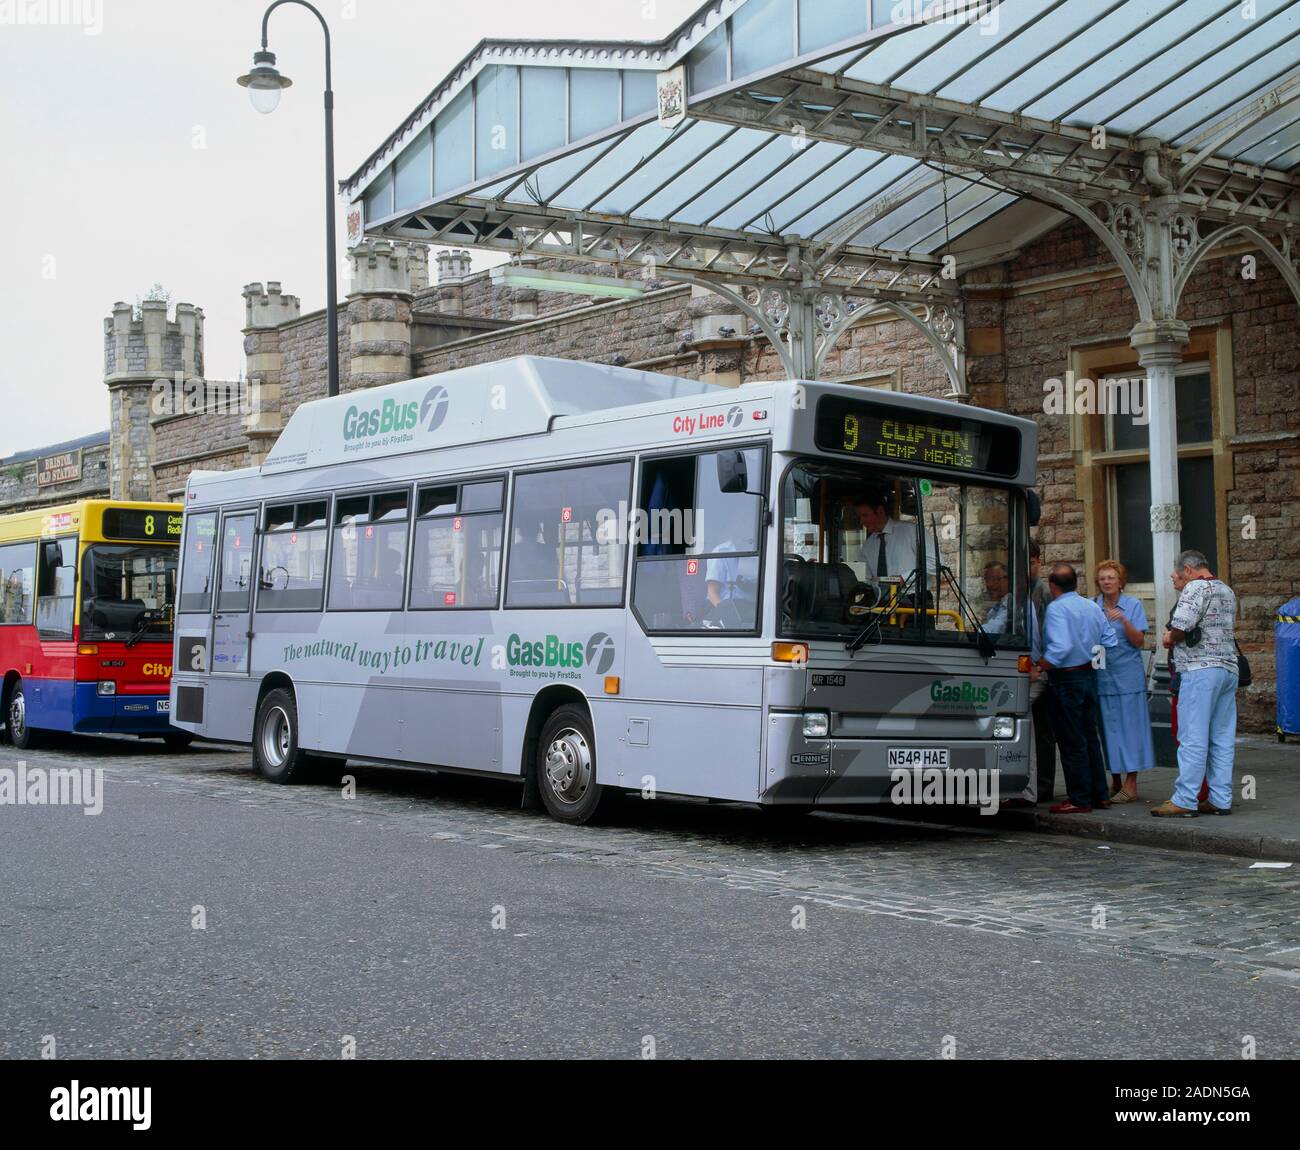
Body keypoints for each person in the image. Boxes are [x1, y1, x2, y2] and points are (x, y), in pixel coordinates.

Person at [1152, 550, 1238, 818]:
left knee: (1192, 736)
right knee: (1222, 738)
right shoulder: (1227, 590)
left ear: (1188, 570)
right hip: (1228, 669)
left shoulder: (1195, 588)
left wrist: (1168, 636)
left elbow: (1182, 626)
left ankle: (1186, 799)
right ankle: (1221, 799)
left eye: (1180, 574)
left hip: (1200, 669)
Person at [1039, 563, 1118, 814]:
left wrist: (1040, 666)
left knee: (1072, 740)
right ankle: (1100, 794)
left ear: (1053, 586)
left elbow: (1060, 648)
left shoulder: (1056, 608)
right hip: (1089, 675)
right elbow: (1110, 640)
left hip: (1066, 678)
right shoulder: (1092, 606)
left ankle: (1079, 798)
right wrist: (1090, 654)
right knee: (1089, 738)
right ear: (1075, 583)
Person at [1093, 559, 1156, 801]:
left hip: (1127, 678)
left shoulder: (1132, 605)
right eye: (1102, 578)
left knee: (1130, 731)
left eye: (1111, 577)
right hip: (1102, 677)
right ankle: (1115, 782)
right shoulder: (1093, 605)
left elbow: (1139, 641)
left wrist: (1123, 620)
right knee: (1109, 732)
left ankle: (1131, 785)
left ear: (1121, 582)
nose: (1106, 582)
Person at [982, 561, 1010, 632]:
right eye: (987, 580)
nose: (989, 584)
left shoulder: (1012, 604)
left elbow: (995, 628)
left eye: (993, 579)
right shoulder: (995, 608)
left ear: (1007, 580)